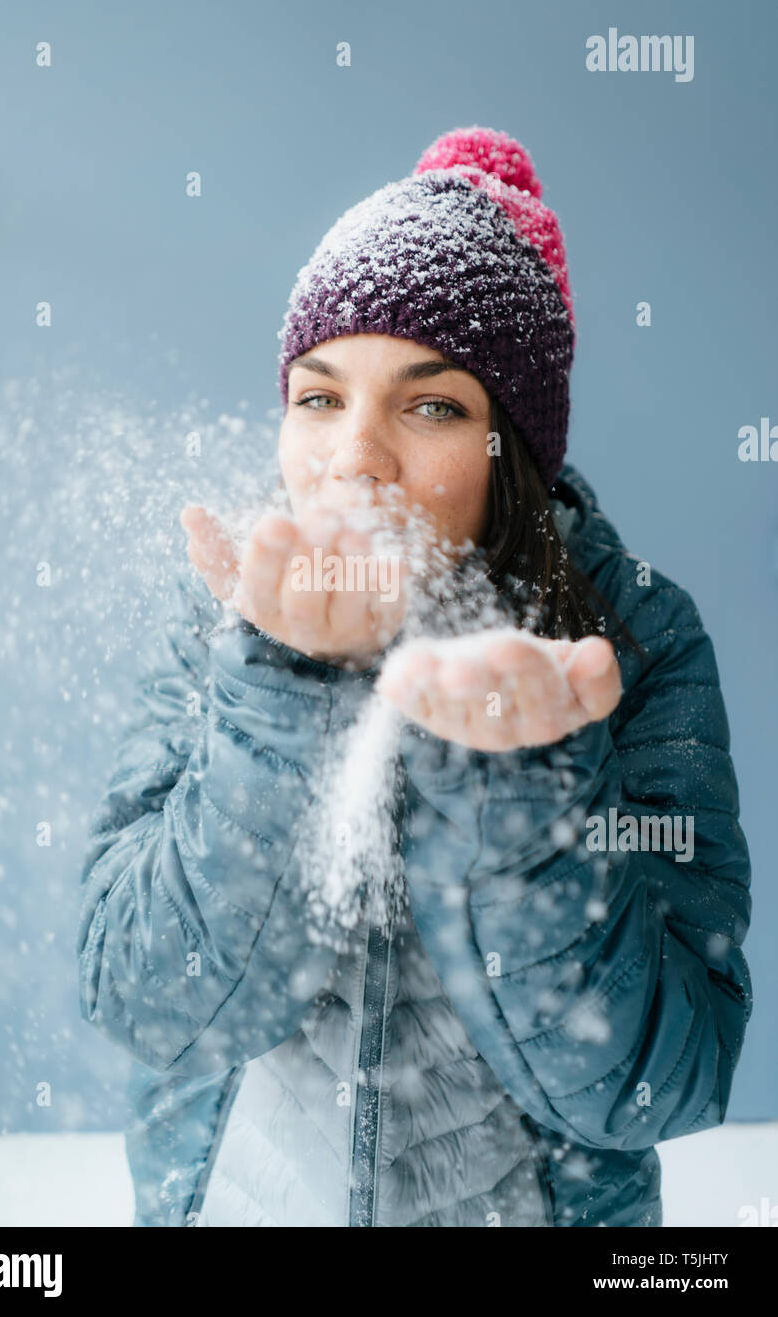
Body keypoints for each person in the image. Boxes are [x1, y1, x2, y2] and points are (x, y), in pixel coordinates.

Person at [77, 126, 753, 1227]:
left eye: (434, 405)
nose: (355, 458)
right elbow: (146, 1002)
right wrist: (285, 696)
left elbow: (660, 1083)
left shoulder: (631, 641)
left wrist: (523, 790)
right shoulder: (229, 615)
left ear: (513, 451)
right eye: (319, 395)